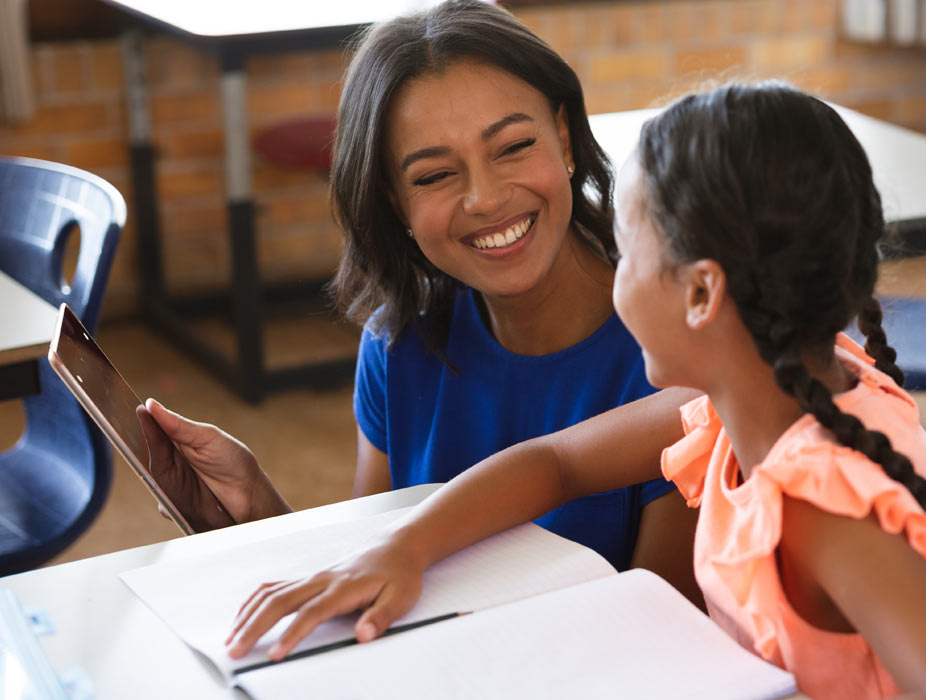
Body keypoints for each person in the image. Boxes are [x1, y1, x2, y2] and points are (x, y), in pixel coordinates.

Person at [219, 82, 926, 699]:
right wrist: (402, 546)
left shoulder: (824, 505)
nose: (609, 272)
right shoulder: (753, 402)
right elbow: (552, 465)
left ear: (701, 293)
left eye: (626, 244)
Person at [139, 0, 699, 603]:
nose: (484, 199)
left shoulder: (680, 351)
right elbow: (375, 562)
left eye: (512, 146)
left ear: (563, 137)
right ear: (393, 201)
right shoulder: (398, 341)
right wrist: (256, 509)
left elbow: (665, 629)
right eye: (434, 176)